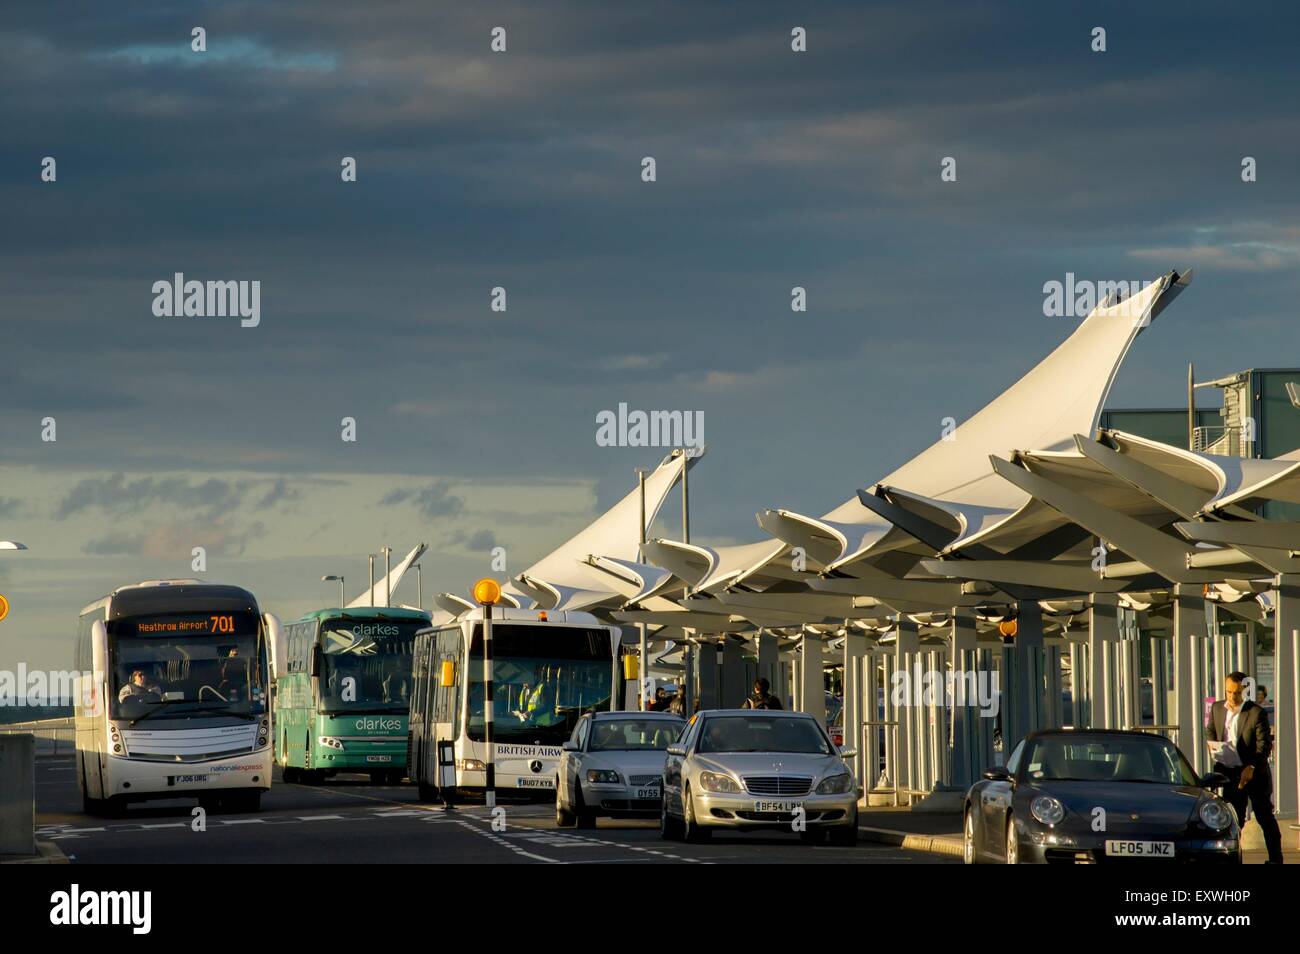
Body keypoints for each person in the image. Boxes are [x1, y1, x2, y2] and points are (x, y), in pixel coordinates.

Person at [1206, 671, 1284, 864]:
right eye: (1229, 691)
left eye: (1237, 692)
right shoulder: (1217, 708)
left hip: (1254, 772)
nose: (1232, 696)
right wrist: (1215, 747)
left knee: (1265, 816)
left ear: (1245, 691)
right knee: (1233, 819)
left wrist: (1251, 767)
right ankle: (1232, 859)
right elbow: (1211, 730)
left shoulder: (1256, 712)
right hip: (1230, 773)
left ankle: (1276, 859)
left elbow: (1264, 745)